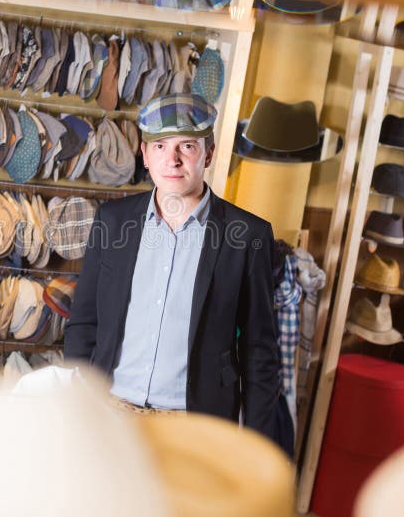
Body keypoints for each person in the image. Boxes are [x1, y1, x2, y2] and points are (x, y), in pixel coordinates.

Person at [64, 93, 280, 442]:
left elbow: (259, 351)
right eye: (160, 146)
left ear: (208, 153)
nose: (173, 160)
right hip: (109, 414)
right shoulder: (113, 221)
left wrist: (256, 446)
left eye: (187, 146)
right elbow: (84, 321)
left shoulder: (248, 236)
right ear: (145, 155)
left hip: (193, 425)